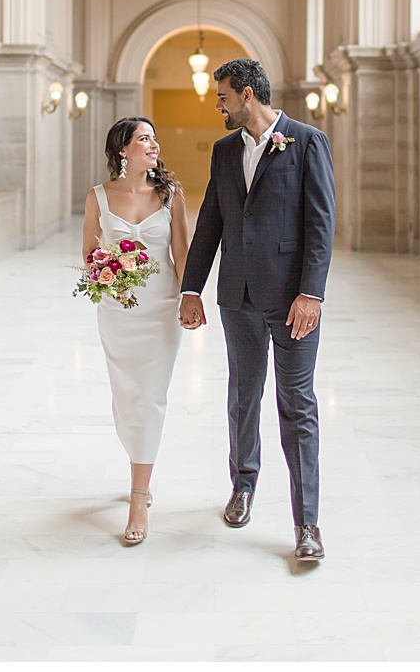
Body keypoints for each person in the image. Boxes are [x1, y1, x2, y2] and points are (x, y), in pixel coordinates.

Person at [179, 57, 335, 562]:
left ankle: (307, 523)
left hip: (293, 303)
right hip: (238, 298)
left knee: (298, 406)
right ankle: (243, 486)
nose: (216, 103)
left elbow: (320, 226)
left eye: (222, 95)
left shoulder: (306, 141)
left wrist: (311, 293)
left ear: (247, 94)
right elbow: (210, 223)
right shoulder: (224, 152)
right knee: (244, 397)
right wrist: (191, 289)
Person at [80, 117, 189, 545]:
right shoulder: (97, 198)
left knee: (151, 397)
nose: (154, 144)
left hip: (161, 311)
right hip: (117, 311)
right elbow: (90, 255)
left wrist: (190, 299)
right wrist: (108, 273)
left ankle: (139, 497)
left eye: (155, 137)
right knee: (126, 397)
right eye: (144, 138)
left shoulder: (170, 195)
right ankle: (136, 458)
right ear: (122, 149)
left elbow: (182, 251)